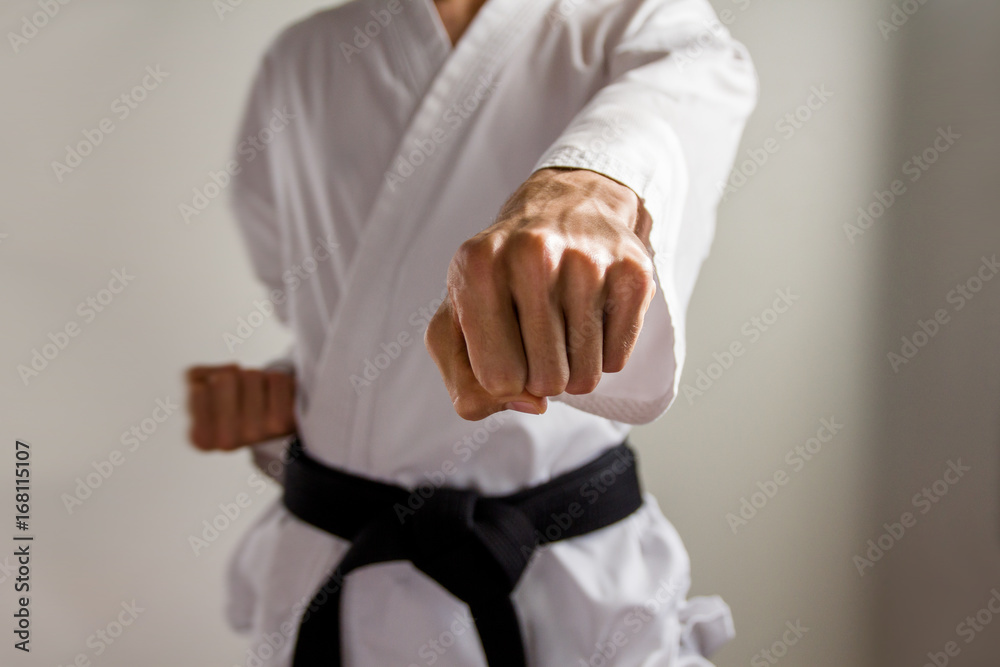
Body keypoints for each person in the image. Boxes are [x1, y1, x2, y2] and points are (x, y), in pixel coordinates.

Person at [186, 0, 757, 664]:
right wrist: (287, 396)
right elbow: (332, 321)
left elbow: (672, 104)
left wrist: (588, 186)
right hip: (342, 572)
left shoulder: (647, 22)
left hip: (562, 586)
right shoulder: (300, 59)